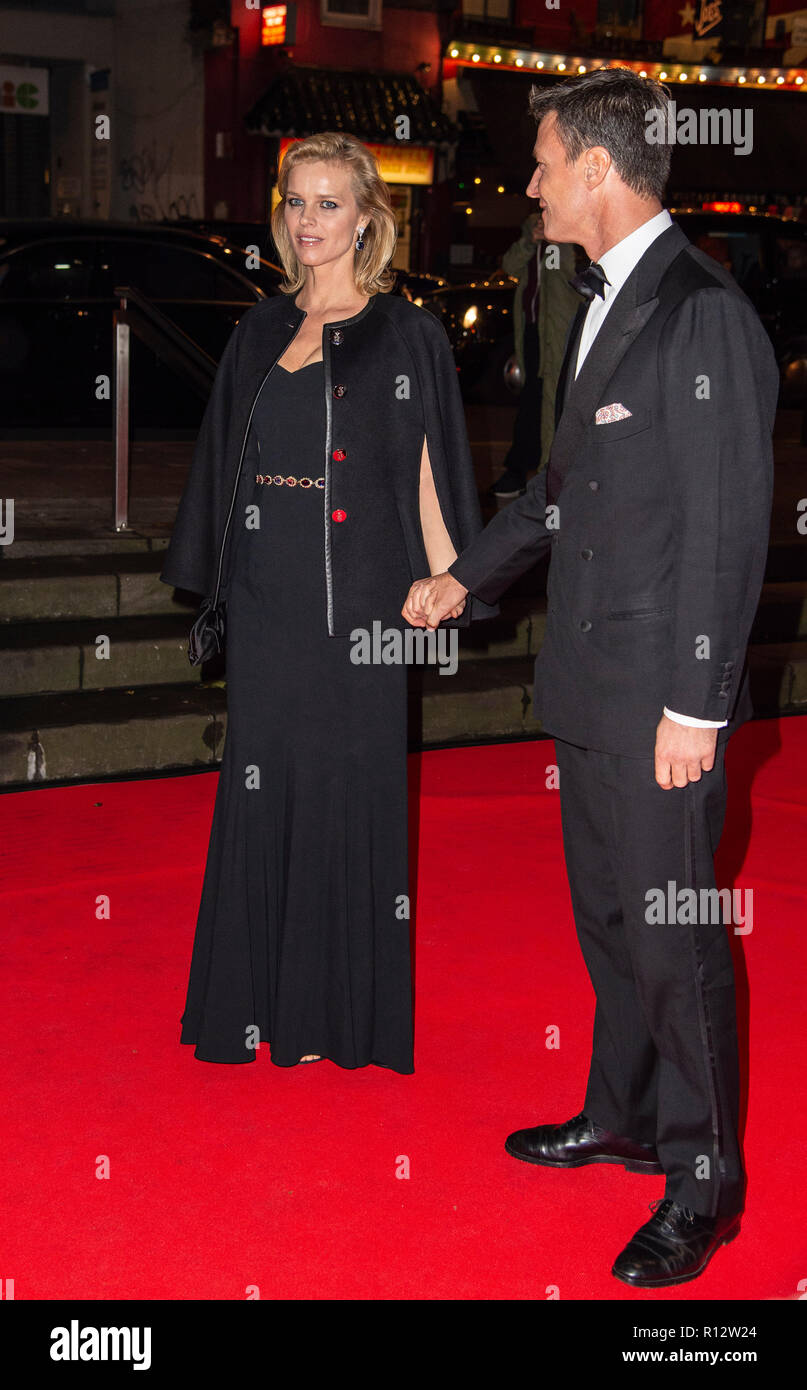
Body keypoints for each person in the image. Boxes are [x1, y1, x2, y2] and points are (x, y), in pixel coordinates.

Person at [403, 68, 777, 1287]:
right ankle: (621, 1115)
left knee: (678, 948)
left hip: (661, 704)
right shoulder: (608, 297)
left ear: (601, 172)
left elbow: (728, 529)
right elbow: (562, 493)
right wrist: (466, 577)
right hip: (596, 687)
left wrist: (698, 705)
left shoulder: (701, 314)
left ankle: (704, 1181)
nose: (530, 182)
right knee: (613, 930)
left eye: (545, 160)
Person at [160, 131, 495, 1073]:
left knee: (349, 790)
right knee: (262, 787)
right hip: (270, 597)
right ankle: (257, 1003)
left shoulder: (407, 331)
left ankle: (331, 1015)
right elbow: (224, 464)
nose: (308, 221)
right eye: (295, 203)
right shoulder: (259, 328)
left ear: (366, 220)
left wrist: (447, 577)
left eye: (328, 204)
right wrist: (218, 580)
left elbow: (429, 464)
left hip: (365, 596)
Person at [492, 213, 579, 499]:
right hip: (532, 330)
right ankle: (527, 471)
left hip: (557, 331)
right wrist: (531, 240)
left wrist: (557, 236)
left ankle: (544, 472)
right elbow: (510, 265)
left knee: (551, 399)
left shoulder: (573, 227)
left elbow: (568, 276)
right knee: (533, 399)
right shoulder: (534, 225)